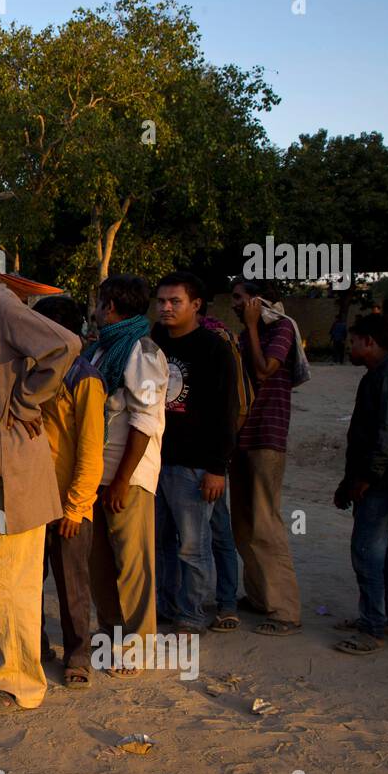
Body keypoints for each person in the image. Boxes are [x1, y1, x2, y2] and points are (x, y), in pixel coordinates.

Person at [0, 231, 80, 714]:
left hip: (11, 473)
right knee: (1, 577)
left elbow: (64, 344)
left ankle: (18, 684)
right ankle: (0, 669)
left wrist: (24, 401)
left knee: (4, 578)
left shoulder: (2, 304)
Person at [87, 274, 168, 675]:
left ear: (111, 306)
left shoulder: (142, 352)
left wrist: (121, 480)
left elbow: (144, 421)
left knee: (132, 563)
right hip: (97, 474)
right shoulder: (104, 350)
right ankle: (110, 636)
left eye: (100, 302)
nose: (96, 309)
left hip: (128, 478)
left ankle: (137, 647)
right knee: (99, 562)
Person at [151, 272, 238, 634]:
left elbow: (225, 413)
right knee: (160, 544)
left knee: (193, 546)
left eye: (175, 302)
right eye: (161, 301)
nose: (166, 308)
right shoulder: (154, 341)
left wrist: (216, 468)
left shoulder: (214, 349)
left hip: (196, 466)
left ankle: (191, 615)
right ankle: (167, 608)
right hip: (156, 459)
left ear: (195, 305)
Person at [332, 314, 388, 655]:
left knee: (367, 551)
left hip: (380, 481)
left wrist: (368, 476)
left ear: (369, 341)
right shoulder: (378, 375)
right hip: (373, 478)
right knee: (375, 551)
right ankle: (381, 617)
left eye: (354, 341)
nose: (350, 347)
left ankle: (373, 626)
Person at [32, 296, 105, 688]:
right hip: (33, 497)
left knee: (72, 586)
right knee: (30, 583)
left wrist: (76, 507)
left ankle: (77, 656)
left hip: (67, 503)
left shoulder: (85, 378)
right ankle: (36, 646)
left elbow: (91, 450)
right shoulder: (36, 371)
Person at [229, 280, 303, 636]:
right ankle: (259, 597)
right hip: (244, 437)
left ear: (258, 302)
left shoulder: (282, 328)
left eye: (241, 300)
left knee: (266, 524)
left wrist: (253, 326)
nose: (236, 306)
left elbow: (263, 370)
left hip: (267, 437)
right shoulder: (248, 333)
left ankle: (285, 610)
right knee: (243, 523)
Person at [198, 299, 250, 626]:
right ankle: (223, 601)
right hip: (188, 456)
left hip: (209, 457)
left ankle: (226, 602)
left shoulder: (216, 344)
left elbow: (235, 408)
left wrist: (218, 463)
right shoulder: (223, 341)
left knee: (215, 530)